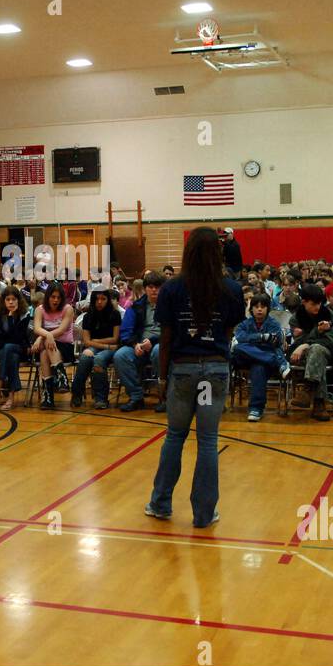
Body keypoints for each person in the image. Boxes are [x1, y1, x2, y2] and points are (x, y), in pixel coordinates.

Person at [144, 227, 244, 529]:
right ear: (218, 252)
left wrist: (162, 379)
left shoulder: (172, 289)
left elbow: (166, 336)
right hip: (213, 371)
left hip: (183, 370)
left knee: (175, 436)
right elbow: (227, 333)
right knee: (208, 441)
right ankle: (203, 514)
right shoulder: (231, 288)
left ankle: (160, 504)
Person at [288, 283, 333, 420]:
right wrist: (316, 333)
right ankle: (319, 405)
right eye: (313, 304)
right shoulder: (295, 319)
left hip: (328, 352)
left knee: (317, 349)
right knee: (316, 354)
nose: (318, 307)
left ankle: (308, 389)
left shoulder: (328, 314)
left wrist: (305, 343)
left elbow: (330, 341)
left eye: (320, 303)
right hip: (302, 355)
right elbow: (297, 344)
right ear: (304, 302)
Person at [233, 293, 290, 422]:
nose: (259, 309)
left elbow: (277, 340)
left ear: (267, 309)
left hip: (262, 363)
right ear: (251, 309)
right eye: (256, 306)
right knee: (237, 348)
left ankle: (256, 408)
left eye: (263, 307)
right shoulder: (245, 324)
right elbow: (239, 338)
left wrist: (252, 341)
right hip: (248, 358)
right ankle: (277, 361)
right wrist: (262, 337)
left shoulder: (273, 323)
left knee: (258, 367)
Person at [114, 272, 165, 412]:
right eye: (150, 287)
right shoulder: (136, 307)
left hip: (162, 344)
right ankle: (136, 396)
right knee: (120, 356)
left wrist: (153, 341)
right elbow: (125, 331)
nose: (154, 290)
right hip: (139, 345)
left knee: (157, 351)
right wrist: (134, 344)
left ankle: (166, 398)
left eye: (157, 287)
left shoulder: (170, 306)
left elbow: (174, 331)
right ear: (145, 288)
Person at [70, 285, 121, 410]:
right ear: (93, 300)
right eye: (97, 299)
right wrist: (106, 345)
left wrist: (97, 341)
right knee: (85, 357)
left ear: (108, 300)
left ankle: (101, 398)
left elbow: (115, 338)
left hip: (109, 349)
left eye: (103, 299)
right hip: (105, 347)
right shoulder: (88, 317)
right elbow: (87, 341)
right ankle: (76, 394)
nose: (99, 302)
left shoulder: (115, 315)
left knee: (98, 359)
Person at [0, 286, 31, 410]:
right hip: (3, 351)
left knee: (10, 348)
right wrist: (8, 339)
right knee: (12, 357)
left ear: (18, 300)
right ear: (3, 301)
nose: (11, 302)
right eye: (8, 299)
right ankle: (10, 397)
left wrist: (11, 317)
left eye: (14, 299)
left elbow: (19, 338)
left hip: (21, 350)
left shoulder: (24, 314)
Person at [32, 284, 76, 409]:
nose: (56, 300)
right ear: (47, 297)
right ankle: (61, 380)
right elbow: (36, 328)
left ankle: (49, 396)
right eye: (53, 297)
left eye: (59, 297)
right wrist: (46, 336)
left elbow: (62, 330)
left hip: (65, 347)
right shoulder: (39, 310)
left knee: (46, 346)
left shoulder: (68, 309)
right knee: (45, 351)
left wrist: (43, 336)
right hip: (49, 347)